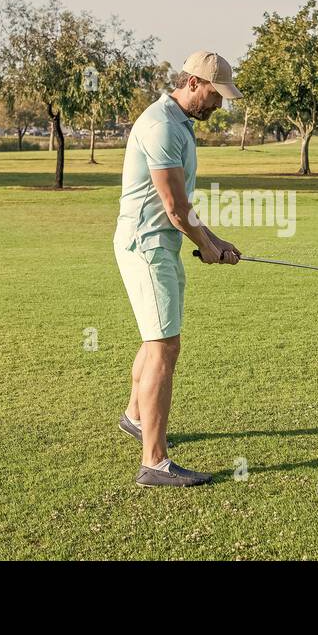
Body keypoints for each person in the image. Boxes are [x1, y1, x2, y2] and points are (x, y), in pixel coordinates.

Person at [112, 51, 243, 487]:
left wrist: (216, 240)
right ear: (192, 83)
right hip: (147, 245)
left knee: (156, 341)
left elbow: (182, 207)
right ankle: (154, 461)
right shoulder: (162, 125)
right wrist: (205, 246)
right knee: (165, 346)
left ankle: (135, 416)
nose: (218, 105)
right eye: (214, 94)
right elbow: (173, 206)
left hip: (159, 244)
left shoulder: (177, 121)